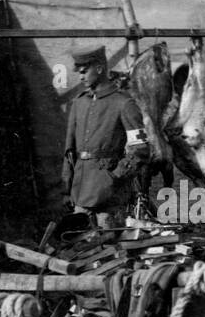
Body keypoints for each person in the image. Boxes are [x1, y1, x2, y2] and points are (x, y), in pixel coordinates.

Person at [61, 44, 149, 228]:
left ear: (100, 69)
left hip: (108, 194)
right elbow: (69, 151)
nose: (81, 76)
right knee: (81, 246)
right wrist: (66, 187)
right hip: (80, 190)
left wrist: (115, 176)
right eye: (80, 72)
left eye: (84, 71)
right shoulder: (78, 103)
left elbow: (140, 148)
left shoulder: (124, 103)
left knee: (110, 244)